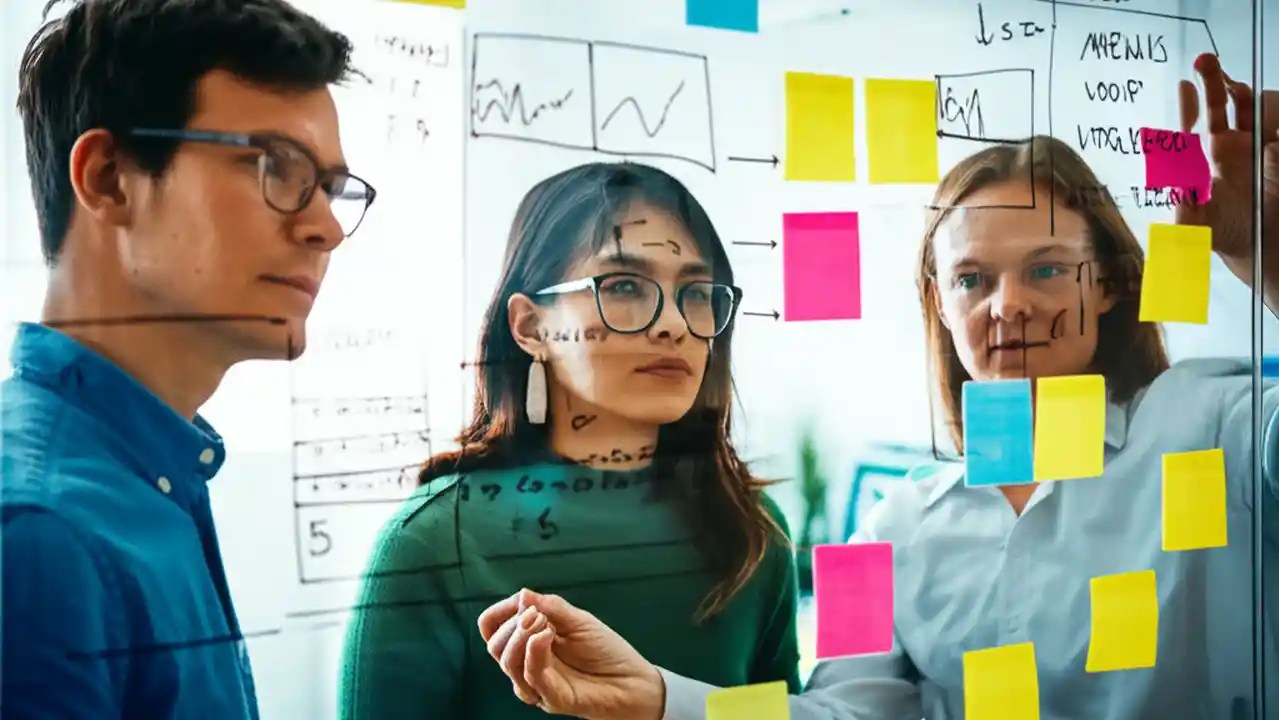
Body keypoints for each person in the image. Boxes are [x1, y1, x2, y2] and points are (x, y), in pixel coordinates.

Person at [476, 52, 1279, 719]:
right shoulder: (890, 521)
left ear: (1106, 285)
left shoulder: (1210, 425)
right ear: (940, 302)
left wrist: (1267, 259)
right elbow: (843, 714)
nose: (1010, 306)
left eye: (1046, 269)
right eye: (972, 278)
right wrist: (660, 697)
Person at [1, 1, 374, 717]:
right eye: (275, 167)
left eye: (330, 188)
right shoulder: (41, 536)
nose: (326, 227)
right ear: (110, 179)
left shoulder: (155, 474)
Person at [338, 162, 800, 719]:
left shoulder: (752, 532)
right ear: (531, 327)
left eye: (698, 293)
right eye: (625, 286)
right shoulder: (435, 543)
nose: (674, 323)